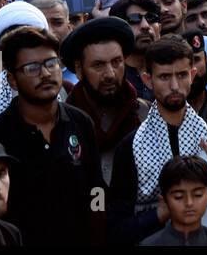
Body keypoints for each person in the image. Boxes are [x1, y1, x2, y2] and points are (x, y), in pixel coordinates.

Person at [0, 25, 105, 244]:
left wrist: (99, 225)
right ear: (12, 79)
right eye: (32, 68)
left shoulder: (81, 122)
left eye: (51, 64)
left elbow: (96, 187)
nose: (45, 74)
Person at [110, 36, 207, 243]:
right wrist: (159, 214)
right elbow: (117, 228)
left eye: (182, 75)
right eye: (165, 77)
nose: (175, 85)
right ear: (148, 80)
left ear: (192, 75)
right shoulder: (130, 146)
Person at [61, 18, 149, 184]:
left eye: (116, 62)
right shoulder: (62, 122)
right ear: (80, 70)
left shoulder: (147, 115)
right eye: (98, 65)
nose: (110, 74)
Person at [139, 157, 207, 247]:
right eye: (178, 197)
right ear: (164, 201)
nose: (189, 203)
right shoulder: (150, 244)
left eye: (197, 195)